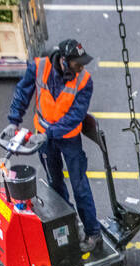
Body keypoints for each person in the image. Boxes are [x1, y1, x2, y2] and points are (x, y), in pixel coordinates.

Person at [6, 38, 102, 254]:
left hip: (68, 139)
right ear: (64, 62)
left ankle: (93, 232)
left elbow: (75, 116)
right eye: (78, 64)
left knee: (80, 186)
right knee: (55, 184)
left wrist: (47, 134)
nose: (81, 68)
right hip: (44, 139)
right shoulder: (39, 68)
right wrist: (14, 121)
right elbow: (22, 92)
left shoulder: (84, 81)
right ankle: (69, 226)